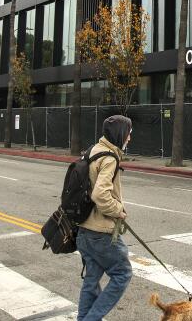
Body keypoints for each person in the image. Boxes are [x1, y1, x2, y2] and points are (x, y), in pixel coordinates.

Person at [76, 114, 133, 321]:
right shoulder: (110, 157)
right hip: (101, 233)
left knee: (91, 282)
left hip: (84, 229)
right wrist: (118, 210)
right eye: (128, 134)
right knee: (123, 274)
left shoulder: (93, 150)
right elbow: (100, 194)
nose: (129, 138)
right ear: (121, 133)